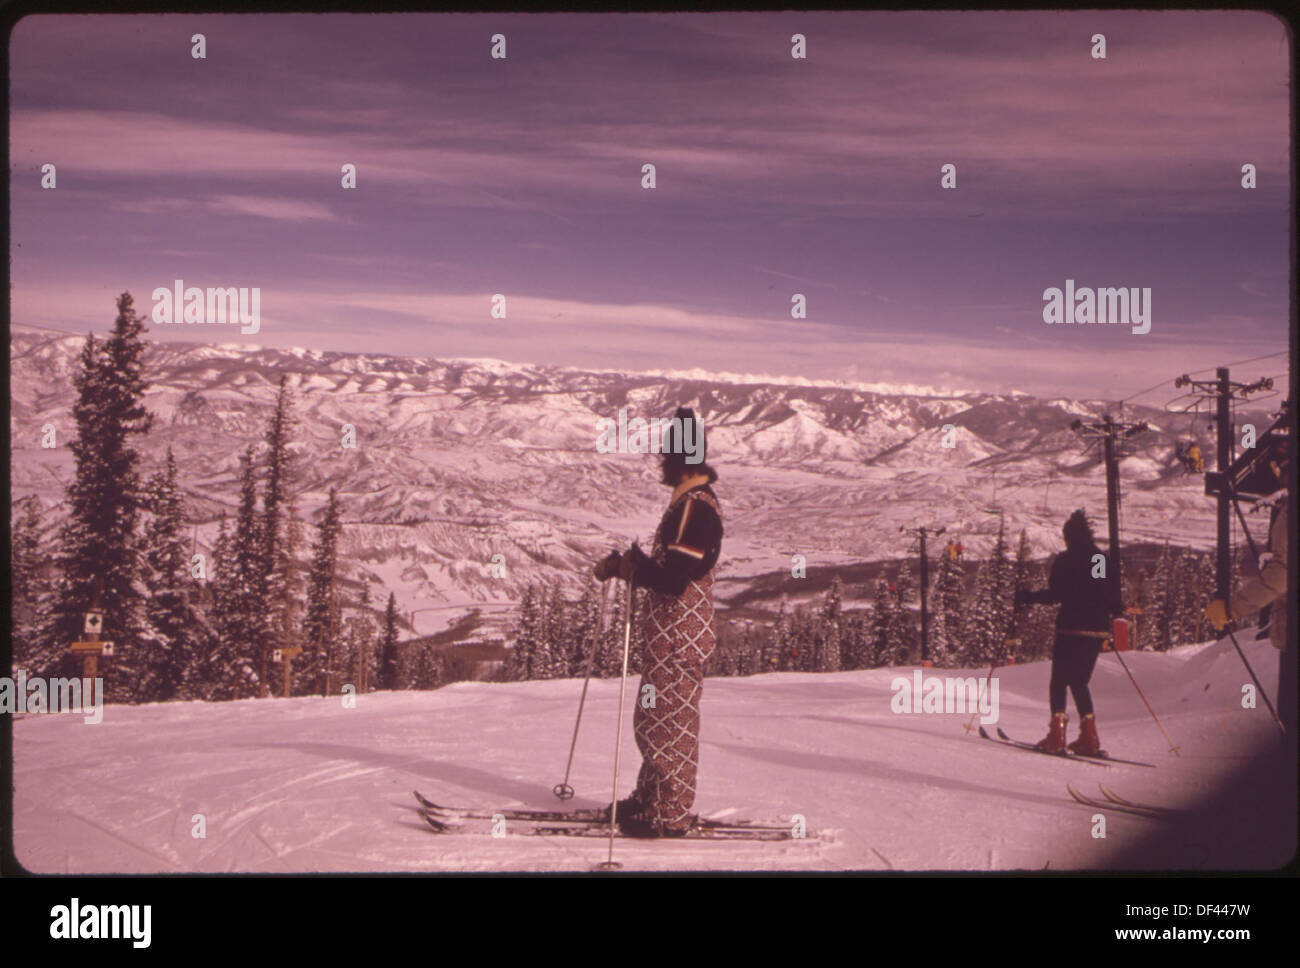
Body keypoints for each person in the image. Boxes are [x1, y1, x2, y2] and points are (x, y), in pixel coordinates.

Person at [593, 406, 723, 837]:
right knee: (651, 721)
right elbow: (667, 571)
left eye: (666, 455)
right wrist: (631, 564)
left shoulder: (696, 511)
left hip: (679, 640)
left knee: (673, 727)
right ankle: (649, 797)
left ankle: (670, 815)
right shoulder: (685, 505)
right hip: (664, 640)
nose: (661, 464)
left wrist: (635, 570)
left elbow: (673, 580)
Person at [1015, 509, 1122, 754]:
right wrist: (1114, 615)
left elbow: (1056, 595)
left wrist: (1027, 598)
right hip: (1096, 630)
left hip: (1071, 628)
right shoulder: (1098, 559)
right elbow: (1104, 591)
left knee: (1059, 680)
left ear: (1070, 536)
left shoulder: (1065, 559)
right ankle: (1089, 737)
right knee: (1080, 682)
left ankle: (1057, 735)